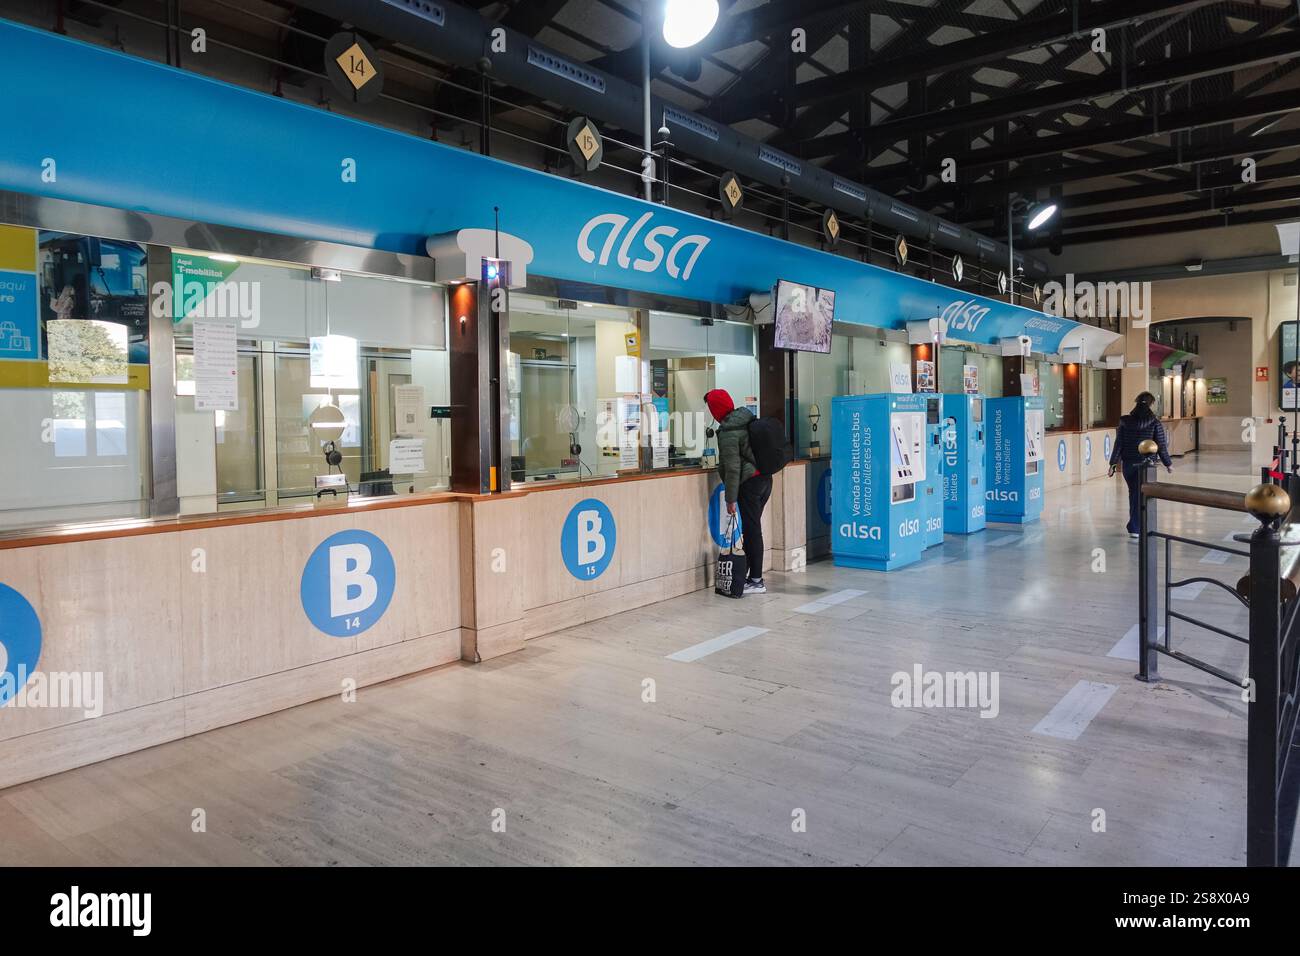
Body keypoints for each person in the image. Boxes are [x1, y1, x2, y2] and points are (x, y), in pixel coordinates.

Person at [706, 388, 770, 594]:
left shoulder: (728, 431)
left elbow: (733, 468)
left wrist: (730, 499)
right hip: (765, 480)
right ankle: (750, 575)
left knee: (752, 531)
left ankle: (757, 580)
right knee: (751, 530)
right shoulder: (745, 418)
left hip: (750, 484)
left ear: (716, 409)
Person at [1108, 391, 1172, 539]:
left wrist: (1112, 464)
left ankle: (1135, 525)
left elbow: (1119, 443)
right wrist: (1168, 464)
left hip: (1128, 464)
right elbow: (1161, 445)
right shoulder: (1155, 422)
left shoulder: (1125, 421)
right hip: (1146, 464)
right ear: (1151, 404)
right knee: (1139, 494)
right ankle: (1136, 526)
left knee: (1134, 492)